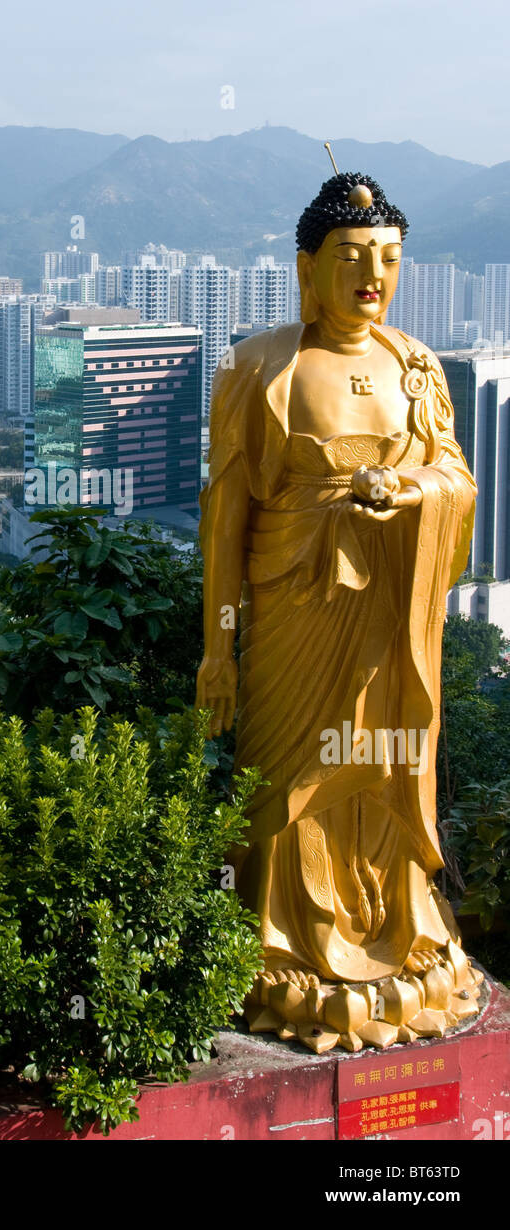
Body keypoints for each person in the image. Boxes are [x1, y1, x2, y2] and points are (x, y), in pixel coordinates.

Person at [196, 172, 480, 1047]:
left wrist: (407, 491)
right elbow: (224, 517)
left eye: (389, 258)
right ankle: (283, 938)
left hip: (387, 614)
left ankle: (392, 924)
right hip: (293, 608)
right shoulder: (260, 366)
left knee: (382, 759)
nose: (373, 275)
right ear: (306, 267)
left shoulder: (414, 366)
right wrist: (218, 647)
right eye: (352, 257)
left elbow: (457, 483)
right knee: (291, 776)